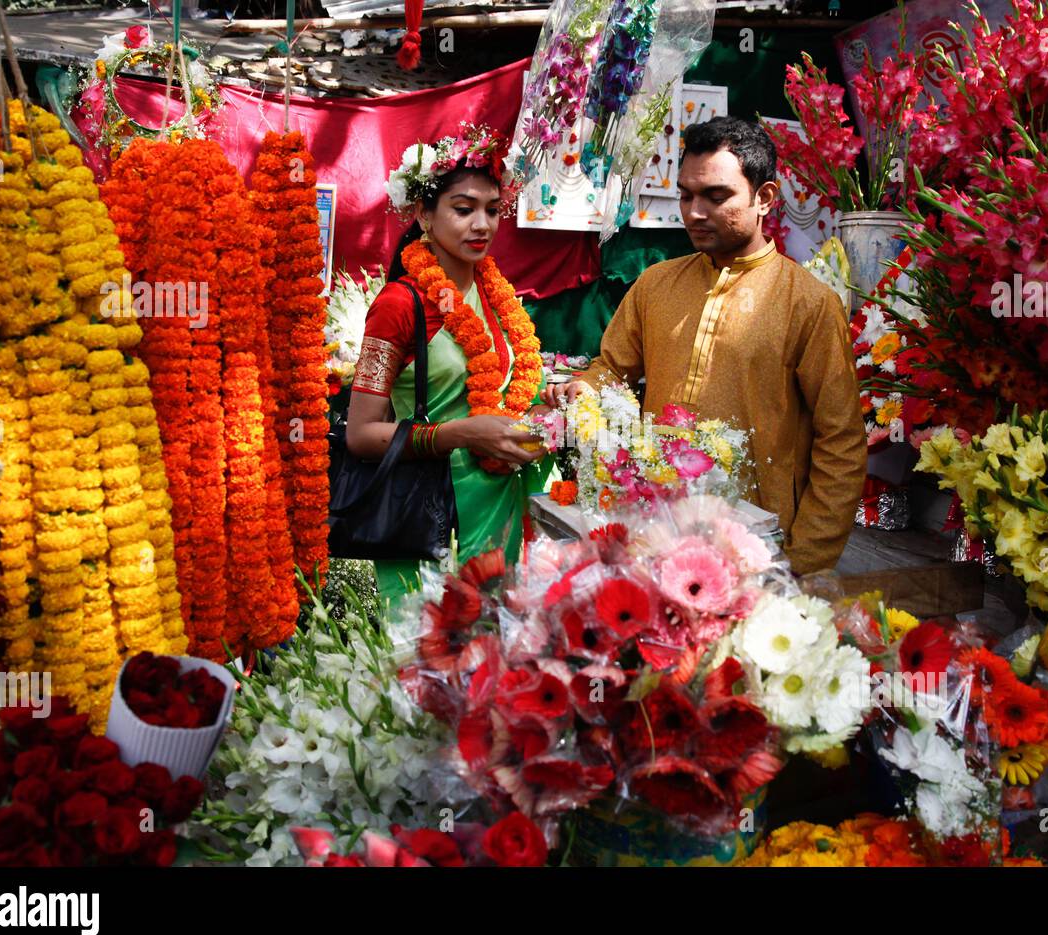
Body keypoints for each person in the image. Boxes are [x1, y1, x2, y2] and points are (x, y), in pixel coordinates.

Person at [546, 116, 865, 574]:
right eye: (686, 195)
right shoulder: (657, 284)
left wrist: (802, 562)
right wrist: (587, 388)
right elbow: (610, 370)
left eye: (717, 197)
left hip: (757, 548)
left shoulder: (809, 304)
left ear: (765, 198)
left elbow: (841, 443)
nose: (694, 212)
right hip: (655, 531)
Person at [347, 124, 550, 600]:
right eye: (463, 210)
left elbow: (511, 389)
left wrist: (550, 405)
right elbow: (360, 435)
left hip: (501, 503)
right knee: (433, 656)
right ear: (423, 214)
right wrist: (461, 433)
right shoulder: (398, 305)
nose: (482, 225)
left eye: (492, 210)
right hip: (429, 512)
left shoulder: (497, 295)